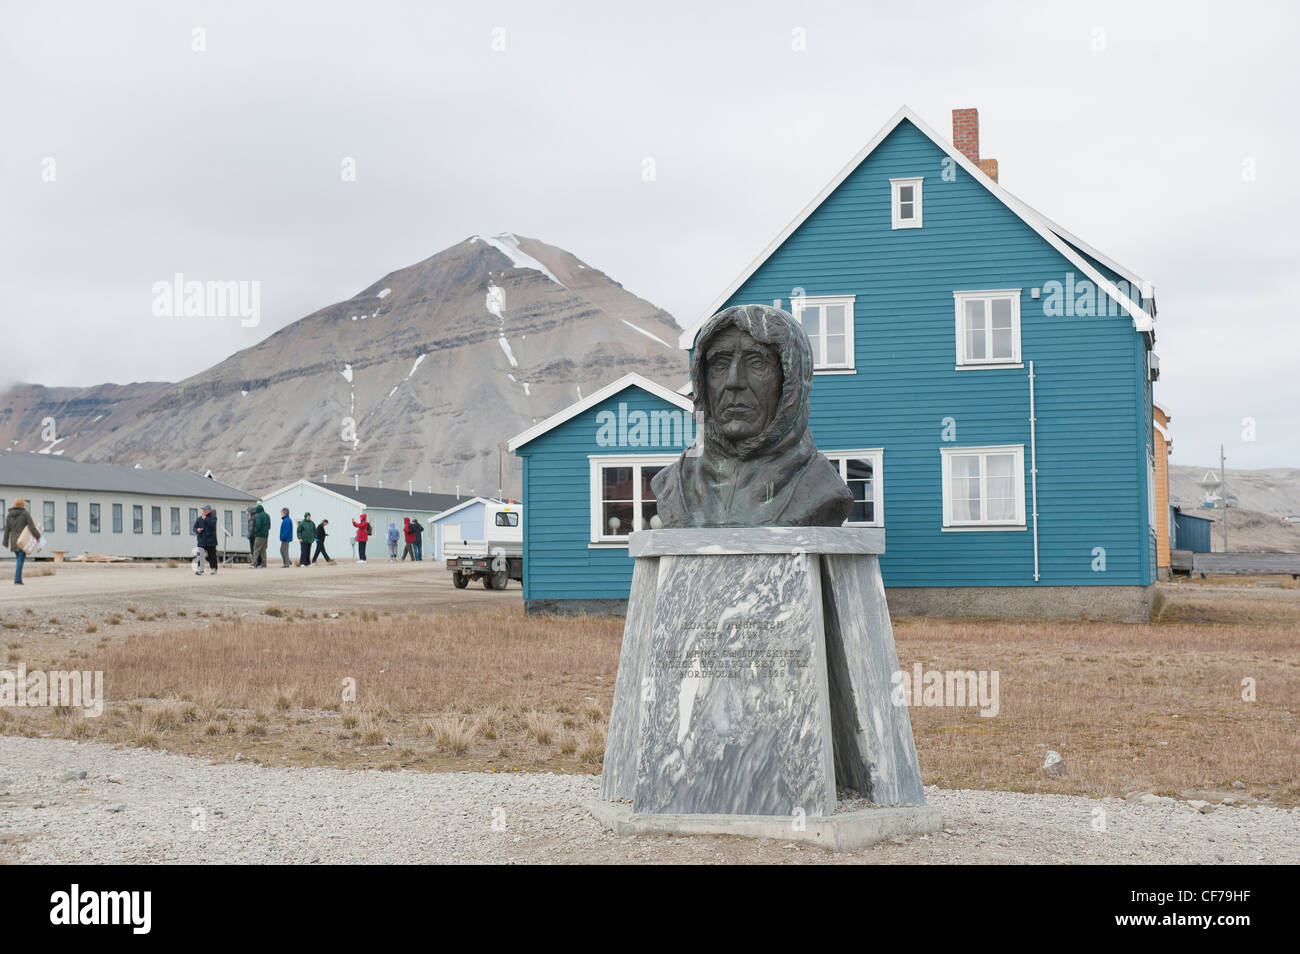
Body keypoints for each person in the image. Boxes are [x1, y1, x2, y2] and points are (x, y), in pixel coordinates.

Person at [652, 304, 852, 528]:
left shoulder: (821, 488)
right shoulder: (674, 484)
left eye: (757, 362)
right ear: (702, 381)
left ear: (790, 381)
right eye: (720, 364)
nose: (734, 381)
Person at [3, 498, 41, 585]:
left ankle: (18, 579)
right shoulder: (25, 514)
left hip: (13, 541)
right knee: (20, 560)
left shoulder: (9, 515)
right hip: (22, 541)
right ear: (22, 505)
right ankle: (17, 580)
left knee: (19, 560)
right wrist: (38, 536)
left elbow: (7, 530)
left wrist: (5, 542)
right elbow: (31, 526)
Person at [193, 504, 218, 575]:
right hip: (201, 540)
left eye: (205, 509)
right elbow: (194, 528)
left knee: (212, 556)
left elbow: (212, 525)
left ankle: (214, 569)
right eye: (203, 510)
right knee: (200, 555)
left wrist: (206, 519)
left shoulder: (213, 517)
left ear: (209, 510)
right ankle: (200, 569)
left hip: (211, 541)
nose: (203, 511)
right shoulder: (199, 518)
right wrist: (197, 530)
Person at [251, 503, 270, 568]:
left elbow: (258, 525)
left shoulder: (259, 516)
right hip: (266, 536)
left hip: (259, 536)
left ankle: (253, 564)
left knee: (256, 550)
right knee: (263, 550)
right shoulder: (267, 515)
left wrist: (255, 532)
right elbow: (269, 526)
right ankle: (264, 564)